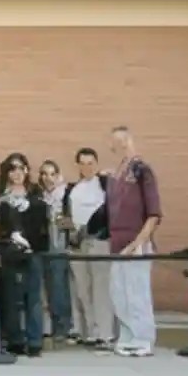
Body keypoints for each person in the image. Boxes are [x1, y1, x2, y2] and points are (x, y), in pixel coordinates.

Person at [107, 127, 163, 357]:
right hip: (117, 244)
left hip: (136, 243)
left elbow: (154, 214)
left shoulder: (142, 170)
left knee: (137, 293)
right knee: (119, 293)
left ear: (127, 141)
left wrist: (137, 243)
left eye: (118, 141)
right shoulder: (118, 175)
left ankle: (144, 338)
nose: (115, 146)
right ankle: (128, 336)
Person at [0, 153, 49, 357]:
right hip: (10, 252)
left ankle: (34, 341)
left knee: (33, 297)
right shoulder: (3, 198)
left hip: (33, 251)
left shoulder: (36, 195)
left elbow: (42, 226)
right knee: (11, 297)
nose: (17, 173)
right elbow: (1, 228)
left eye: (20, 168)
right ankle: (15, 339)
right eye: (12, 169)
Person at [63, 148, 114, 348]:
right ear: (77, 165)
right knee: (81, 289)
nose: (87, 167)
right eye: (83, 163)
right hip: (76, 244)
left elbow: (112, 212)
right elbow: (63, 215)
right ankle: (87, 331)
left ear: (96, 163)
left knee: (100, 288)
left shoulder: (104, 185)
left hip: (98, 240)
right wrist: (68, 233)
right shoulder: (72, 189)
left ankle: (105, 333)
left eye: (91, 162)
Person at [39, 159, 74, 342]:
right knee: (46, 289)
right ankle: (49, 325)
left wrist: (60, 218)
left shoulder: (65, 195)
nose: (48, 178)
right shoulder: (41, 196)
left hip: (60, 247)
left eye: (52, 174)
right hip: (44, 248)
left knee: (60, 288)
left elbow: (70, 223)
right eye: (44, 174)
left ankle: (64, 325)